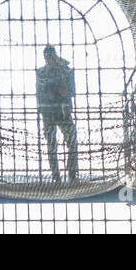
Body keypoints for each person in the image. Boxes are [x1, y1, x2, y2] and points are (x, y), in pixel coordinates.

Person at [36, 45, 77, 182]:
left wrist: (59, 91)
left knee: (70, 142)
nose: (49, 59)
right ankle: (57, 176)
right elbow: (39, 93)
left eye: (50, 56)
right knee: (53, 144)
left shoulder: (65, 71)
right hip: (50, 112)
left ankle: (71, 174)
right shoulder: (42, 73)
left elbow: (71, 91)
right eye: (47, 56)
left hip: (61, 110)